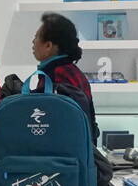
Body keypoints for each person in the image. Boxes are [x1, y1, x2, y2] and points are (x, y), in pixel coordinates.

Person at [31, 11, 98, 143]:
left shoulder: (54, 75)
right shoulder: (74, 71)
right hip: (81, 153)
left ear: (48, 46)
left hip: (61, 156)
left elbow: (49, 124)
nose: (33, 42)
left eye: (37, 37)